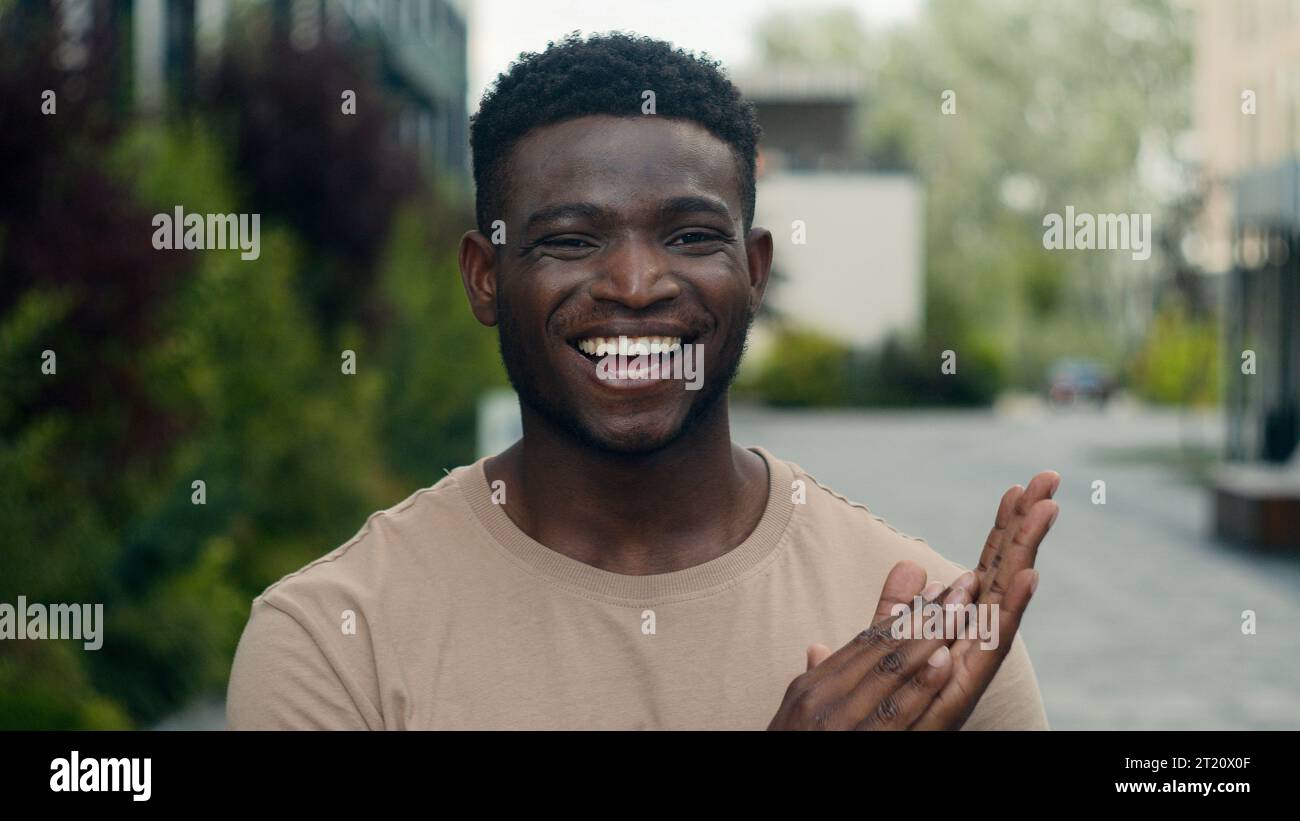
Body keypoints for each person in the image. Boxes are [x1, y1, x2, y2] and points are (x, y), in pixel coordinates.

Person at [226, 32, 1060, 730]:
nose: (634, 284)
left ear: (755, 270)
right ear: (485, 276)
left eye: (692, 235)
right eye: (571, 240)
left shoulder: (936, 654)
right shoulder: (334, 640)